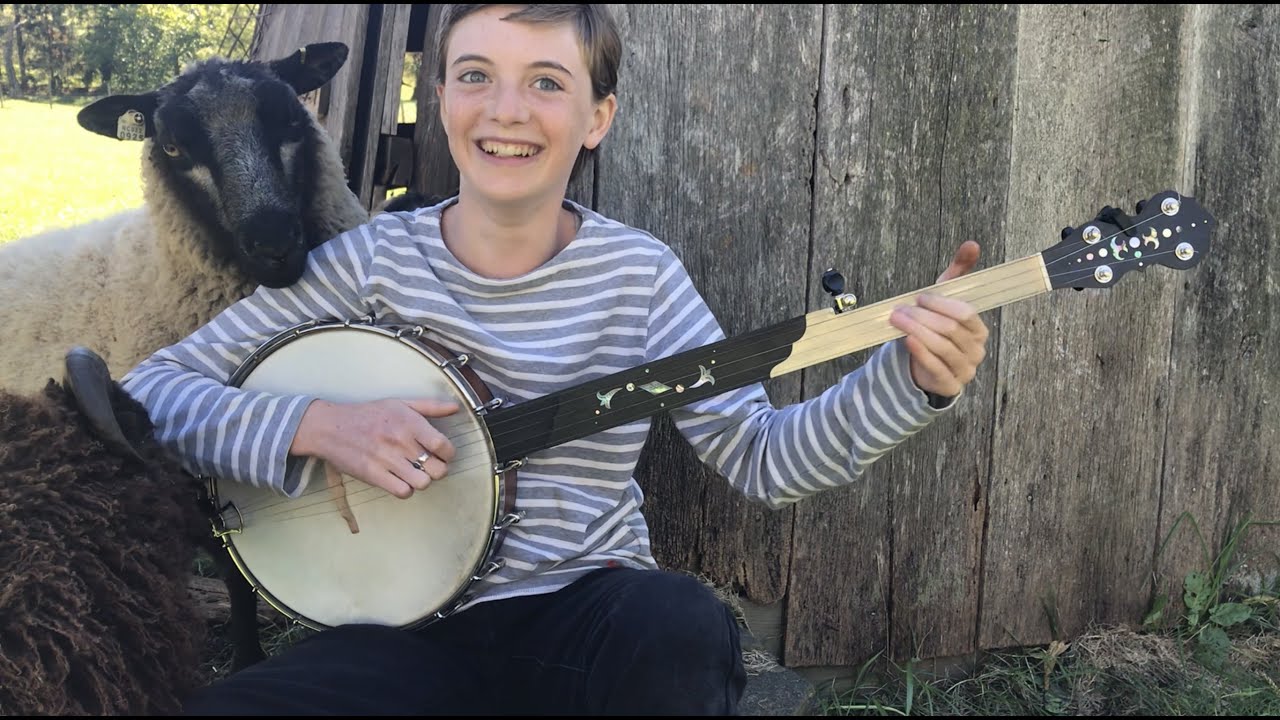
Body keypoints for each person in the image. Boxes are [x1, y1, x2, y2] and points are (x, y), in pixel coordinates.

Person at [120, 4, 989, 715]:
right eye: (476, 76)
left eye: (546, 82)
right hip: (392, 638)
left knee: (682, 624)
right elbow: (152, 391)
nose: (507, 110)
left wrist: (910, 381)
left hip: (586, 620)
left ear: (597, 118)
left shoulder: (639, 276)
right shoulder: (370, 262)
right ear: (442, 100)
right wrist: (317, 425)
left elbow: (765, 458)